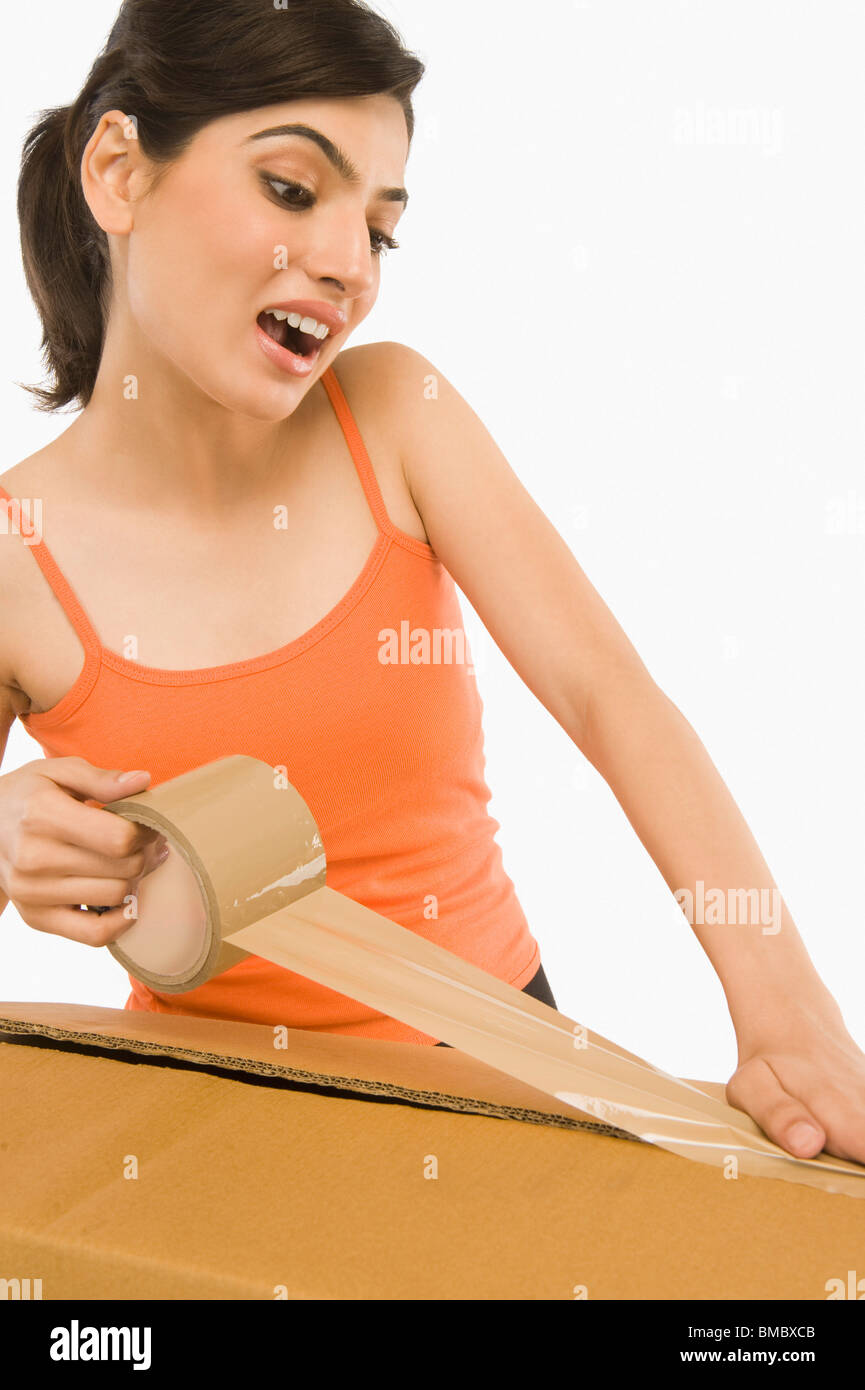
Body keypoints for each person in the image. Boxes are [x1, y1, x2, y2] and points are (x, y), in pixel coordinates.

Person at [1, 0, 862, 1164]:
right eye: (295, 191)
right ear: (118, 169)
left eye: (382, 229)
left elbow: (613, 697)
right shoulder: (17, 547)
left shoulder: (393, 416)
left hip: (497, 1066)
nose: (349, 266)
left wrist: (787, 1014)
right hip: (207, 1123)